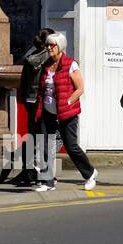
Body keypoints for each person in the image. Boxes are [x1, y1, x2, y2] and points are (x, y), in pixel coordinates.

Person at [35, 32, 97, 192]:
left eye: (52, 45)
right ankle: (47, 181)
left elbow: (80, 88)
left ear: (60, 46)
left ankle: (90, 174)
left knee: (71, 146)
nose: (49, 48)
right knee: (45, 145)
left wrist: (68, 102)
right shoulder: (46, 65)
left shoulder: (70, 64)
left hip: (66, 113)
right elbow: (42, 89)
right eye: (48, 45)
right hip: (47, 112)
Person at [11, 28, 53, 187]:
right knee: (44, 137)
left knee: (32, 136)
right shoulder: (49, 57)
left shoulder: (30, 57)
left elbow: (23, 81)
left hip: (30, 99)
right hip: (42, 100)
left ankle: (28, 171)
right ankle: (44, 173)